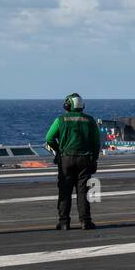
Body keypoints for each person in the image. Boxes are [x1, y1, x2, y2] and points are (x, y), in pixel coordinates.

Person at [45, 93, 101, 230]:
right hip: (85, 160)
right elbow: (96, 143)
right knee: (83, 191)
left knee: (65, 191)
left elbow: (49, 138)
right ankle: (85, 221)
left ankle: (64, 222)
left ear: (68, 105)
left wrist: (59, 150)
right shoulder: (90, 120)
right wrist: (94, 159)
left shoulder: (60, 120)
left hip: (66, 159)